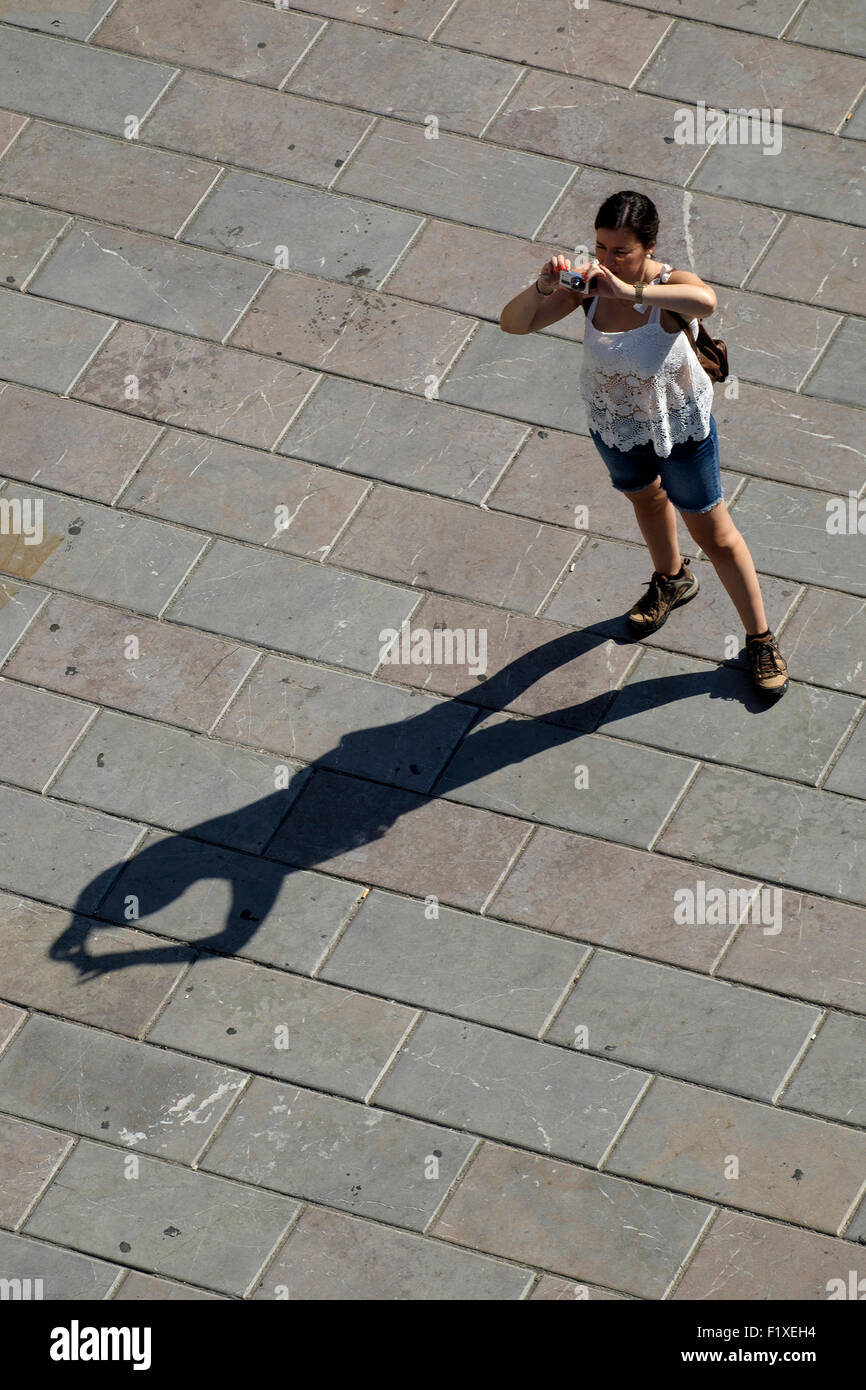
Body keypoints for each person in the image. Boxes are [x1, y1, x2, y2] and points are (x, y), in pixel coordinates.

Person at [499, 189, 788, 697]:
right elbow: (514, 324)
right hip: (615, 424)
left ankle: (760, 639)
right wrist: (542, 287)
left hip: (679, 430)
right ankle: (671, 579)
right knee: (646, 499)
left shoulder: (666, 285)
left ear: (649, 246)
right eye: (601, 248)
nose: (607, 261)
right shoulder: (587, 289)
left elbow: (707, 300)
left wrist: (631, 291)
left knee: (716, 534)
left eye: (620, 251)